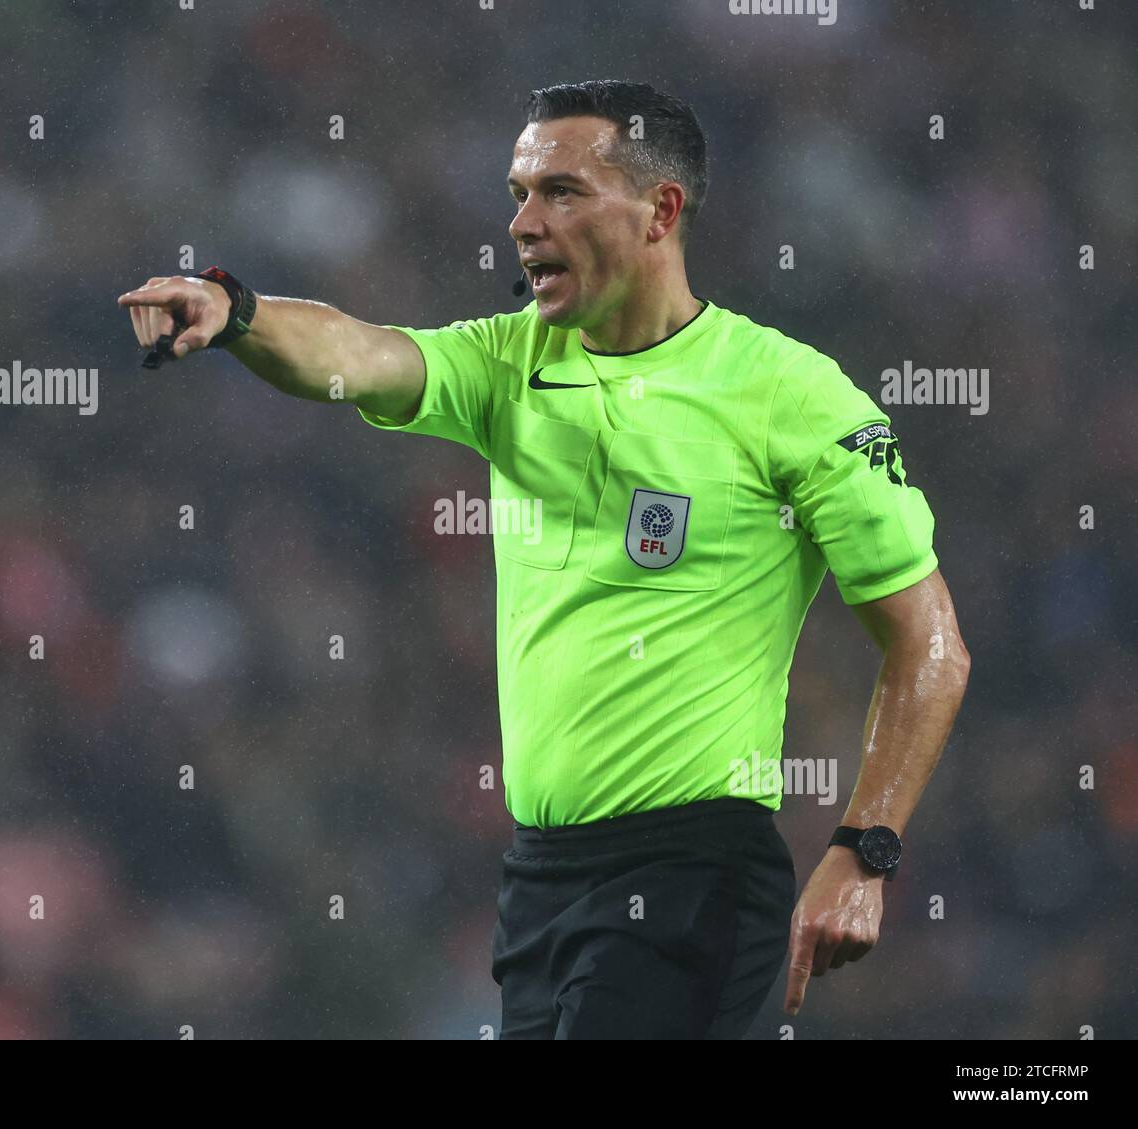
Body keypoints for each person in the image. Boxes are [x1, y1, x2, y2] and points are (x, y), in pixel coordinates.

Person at [117, 79, 970, 1039]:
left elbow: (929, 645)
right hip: (541, 883)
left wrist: (865, 848)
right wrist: (238, 313)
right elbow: (360, 351)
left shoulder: (793, 396)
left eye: (561, 191)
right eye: (518, 193)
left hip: (691, 872)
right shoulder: (506, 363)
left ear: (661, 209)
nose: (523, 223)